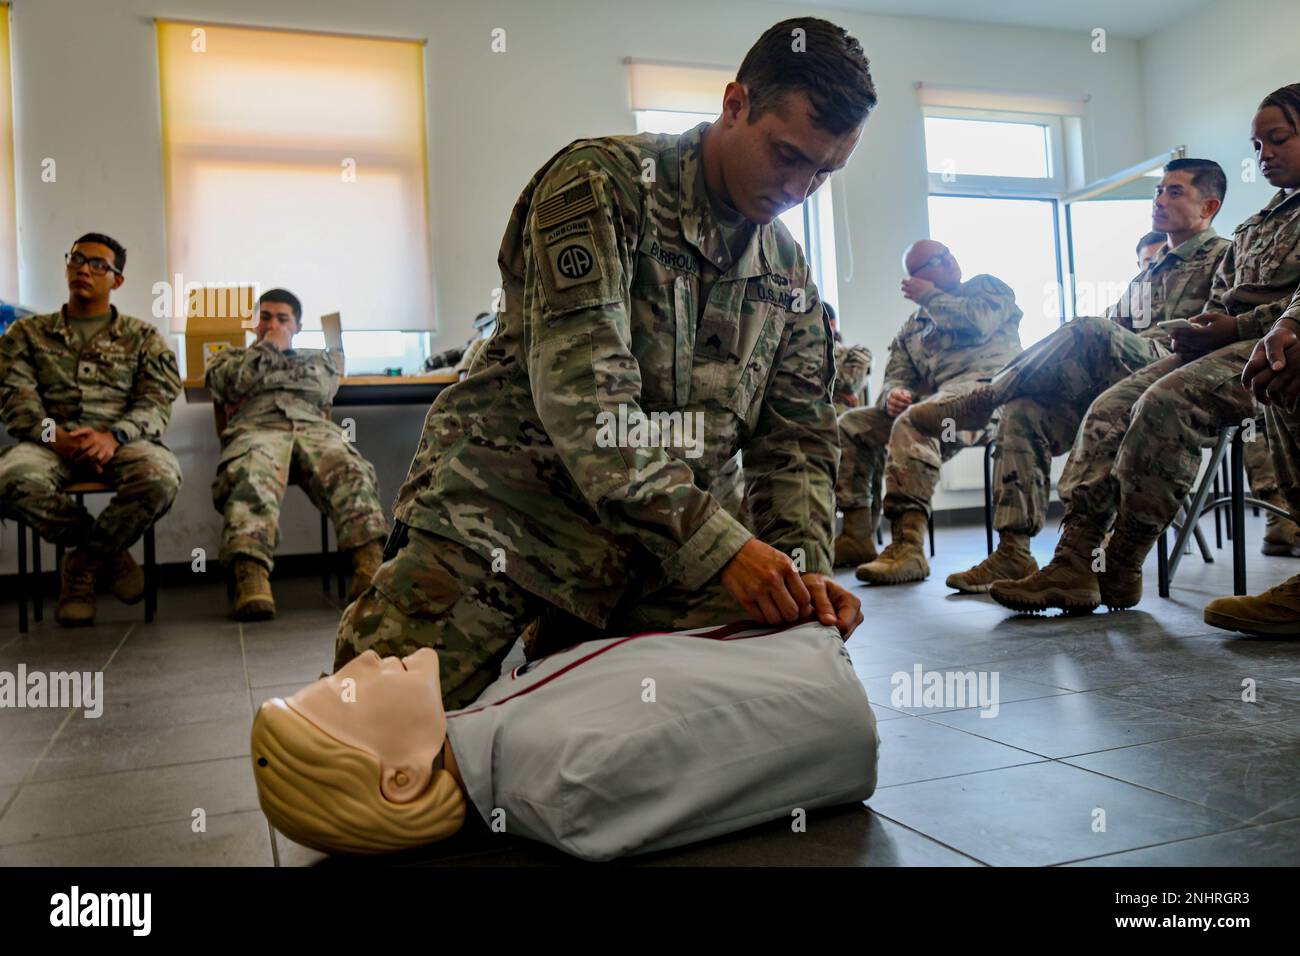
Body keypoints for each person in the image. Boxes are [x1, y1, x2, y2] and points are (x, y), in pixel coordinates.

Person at [335, 17, 876, 709]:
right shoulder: (600, 186)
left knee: (785, 703)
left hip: (661, 559)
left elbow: (795, 446)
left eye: (825, 173)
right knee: (367, 740)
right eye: (787, 156)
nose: (800, 189)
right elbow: (590, 408)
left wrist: (802, 580)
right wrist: (723, 549)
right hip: (508, 521)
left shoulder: (788, 274)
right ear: (735, 104)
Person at [983, 87, 1300, 614]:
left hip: (1266, 351)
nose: (1265, 155)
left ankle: (1123, 562)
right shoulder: (1258, 225)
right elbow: (1221, 299)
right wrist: (1201, 327)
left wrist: (1235, 325)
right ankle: (1075, 561)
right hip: (1223, 347)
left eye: (1279, 139)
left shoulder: (1225, 239)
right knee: (1108, 408)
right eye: (1257, 146)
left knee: (1163, 402)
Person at [253, 620, 879, 860]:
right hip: (822, 675)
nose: (360, 661)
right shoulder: (568, 770)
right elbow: (812, 719)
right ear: (402, 778)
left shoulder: (496, 716)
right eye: (346, 694)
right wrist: (811, 641)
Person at [911, 160, 1233, 592]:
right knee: (1024, 413)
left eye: (1175, 192)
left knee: (1088, 330)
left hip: (1173, 369)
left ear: (1208, 206)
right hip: (1122, 380)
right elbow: (1112, 328)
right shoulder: (1152, 272)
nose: (1159, 200)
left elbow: (1219, 332)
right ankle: (1013, 552)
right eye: (1158, 190)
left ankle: (987, 395)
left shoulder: (1225, 257)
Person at [0, 234, 182, 626]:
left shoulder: (144, 337)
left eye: (98, 264)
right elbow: (17, 401)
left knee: (160, 478)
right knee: (12, 478)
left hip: (121, 442)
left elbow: (155, 402)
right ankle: (111, 557)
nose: (84, 268)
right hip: (48, 442)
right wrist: (55, 437)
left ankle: (82, 564)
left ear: (117, 280)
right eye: (77, 259)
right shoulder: (25, 335)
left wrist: (113, 437)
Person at [841, 241, 1022, 583]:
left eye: (948, 254)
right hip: (941, 408)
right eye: (936, 261)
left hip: (992, 397)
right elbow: (895, 376)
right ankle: (855, 535)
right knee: (851, 424)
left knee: (917, 418)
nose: (950, 260)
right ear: (914, 279)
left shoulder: (987, 288)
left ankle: (908, 549)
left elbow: (979, 322)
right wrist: (893, 395)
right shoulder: (913, 329)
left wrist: (931, 298)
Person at [207, 288, 387, 620]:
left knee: (350, 466)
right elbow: (227, 384)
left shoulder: (318, 359)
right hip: (256, 430)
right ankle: (252, 575)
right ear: (253, 323)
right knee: (250, 471)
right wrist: (268, 348)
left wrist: (266, 370)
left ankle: (369, 565)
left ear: (298, 326)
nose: (272, 324)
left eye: (282, 318)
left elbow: (321, 390)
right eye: (264, 317)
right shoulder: (228, 358)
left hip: (313, 431)